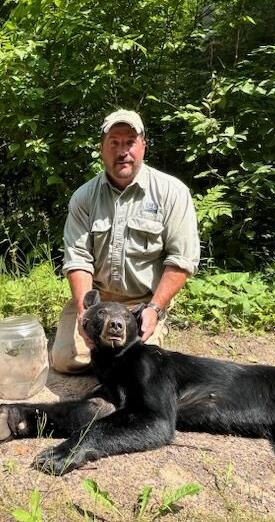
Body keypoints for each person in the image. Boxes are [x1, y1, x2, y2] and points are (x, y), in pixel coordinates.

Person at [52, 109, 200, 374]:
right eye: (114, 143)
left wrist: (154, 308)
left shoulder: (173, 193)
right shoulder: (84, 197)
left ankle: (148, 334)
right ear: (102, 148)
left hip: (144, 302)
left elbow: (181, 261)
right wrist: (85, 312)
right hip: (97, 303)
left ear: (143, 146)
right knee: (67, 361)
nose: (123, 151)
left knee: (140, 366)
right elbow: (78, 261)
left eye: (130, 142)